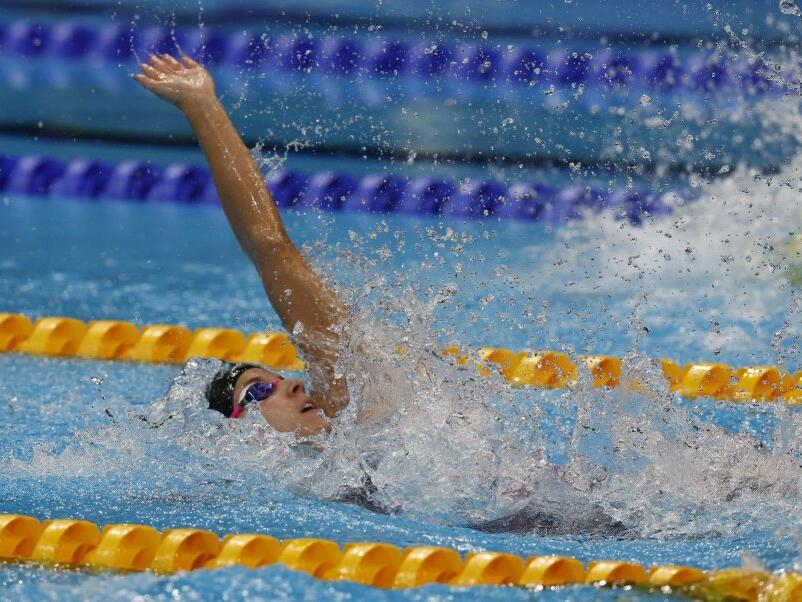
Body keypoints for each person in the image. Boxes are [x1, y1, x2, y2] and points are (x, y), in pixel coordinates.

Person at [134, 53, 347, 438]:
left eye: (274, 380)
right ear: (238, 430)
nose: (297, 383)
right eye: (260, 391)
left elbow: (271, 248)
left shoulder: (355, 409)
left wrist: (201, 104)